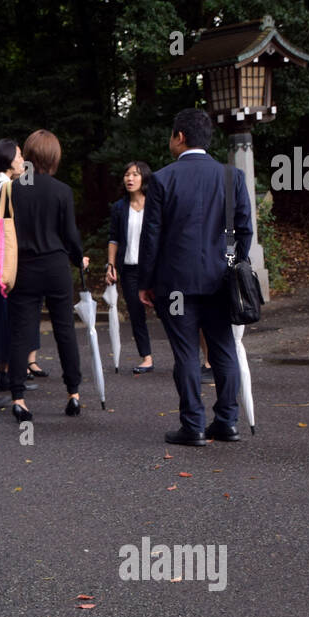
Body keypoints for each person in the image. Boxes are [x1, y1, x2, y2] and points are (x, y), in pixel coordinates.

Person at [137, 108, 252, 446]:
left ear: (181, 137)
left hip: (175, 284)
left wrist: (146, 281)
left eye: (172, 135)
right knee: (224, 348)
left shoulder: (162, 179)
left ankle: (193, 425)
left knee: (186, 352)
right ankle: (228, 421)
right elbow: (241, 230)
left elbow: (152, 236)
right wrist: (230, 260)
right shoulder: (231, 177)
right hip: (220, 280)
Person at [8, 129, 89, 422]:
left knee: (21, 330)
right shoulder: (62, 191)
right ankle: (74, 394)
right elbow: (70, 235)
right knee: (64, 329)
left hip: (25, 267)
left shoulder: (14, 190)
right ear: (54, 156)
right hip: (56, 266)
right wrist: (79, 258)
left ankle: (18, 398)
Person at [0, 140, 46, 391]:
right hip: (4, 257)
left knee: (1, 314)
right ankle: (9, 374)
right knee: (10, 315)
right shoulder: (6, 185)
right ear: (8, 159)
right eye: (19, 156)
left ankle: (6, 370)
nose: (23, 161)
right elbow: (10, 225)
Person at [106, 161, 154, 373]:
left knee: (171, 312)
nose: (130, 178)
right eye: (127, 174)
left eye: (135, 174)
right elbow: (114, 238)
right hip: (129, 269)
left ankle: (183, 356)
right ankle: (146, 357)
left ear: (144, 178)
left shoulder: (155, 204)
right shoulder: (119, 207)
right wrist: (111, 264)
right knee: (136, 313)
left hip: (154, 268)